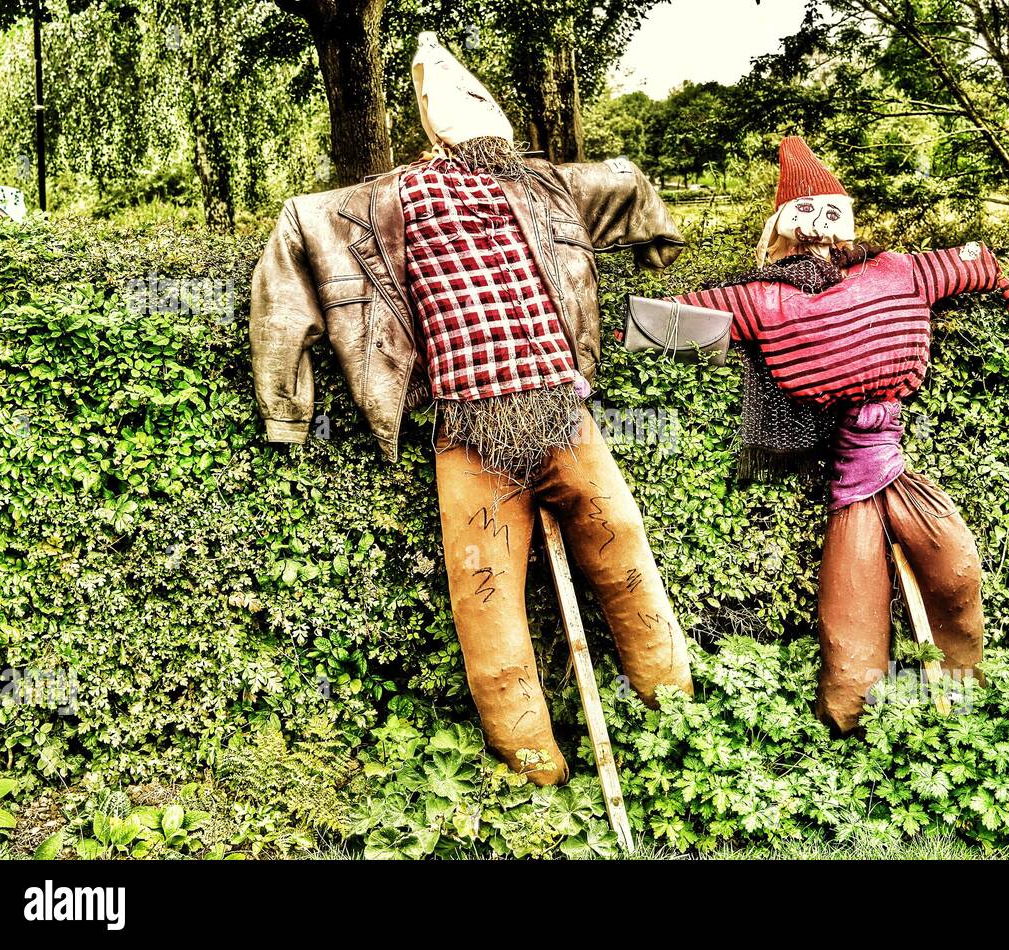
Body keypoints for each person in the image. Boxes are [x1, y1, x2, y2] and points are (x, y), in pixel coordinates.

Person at [250, 33, 693, 783]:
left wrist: (659, 236)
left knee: (623, 555)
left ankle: (674, 715)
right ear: (433, 129)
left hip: (563, 417)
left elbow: (623, 181)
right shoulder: (378, 201)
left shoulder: (542, 185)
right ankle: (533, 763)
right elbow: (291, 248)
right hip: (470, 432)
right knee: (485, 593)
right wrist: (288, 405)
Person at [667, 136, 1009, 733]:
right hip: (848, 466)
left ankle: (963, 691)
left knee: (956, 566)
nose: (818, 231)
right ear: (782, 227)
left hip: (887, 451)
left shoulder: (895, 270)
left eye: (829, 216)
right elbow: (668, 322)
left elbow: (979, 264)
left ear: (846, 224)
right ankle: (849, 716)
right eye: (804, 217)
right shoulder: (762, 298)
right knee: (851, 613)